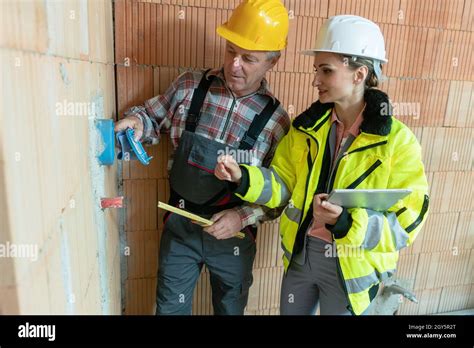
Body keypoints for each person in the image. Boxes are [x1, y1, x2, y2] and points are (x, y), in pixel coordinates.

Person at [215, 15, 430, 315]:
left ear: (359, 74)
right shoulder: (305, 130)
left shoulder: (397, 142)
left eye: (326, 71)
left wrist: (348, 223)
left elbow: (409, 221)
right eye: (317, 69)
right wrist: (243, 177)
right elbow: (282, 185)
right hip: (301, 258)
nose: (316, 80)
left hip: (352, 269)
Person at [114, 0, 290, 315]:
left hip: (233, 236)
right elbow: (151, 117)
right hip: (180, 225)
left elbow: (278, 194)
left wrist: (242, 217)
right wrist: (137, 123)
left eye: (249, 58)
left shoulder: (276, 121)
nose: (235, 65)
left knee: (230, 310)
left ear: (272, 62)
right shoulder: (190, 86)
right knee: (169, 309)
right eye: (231, 51)